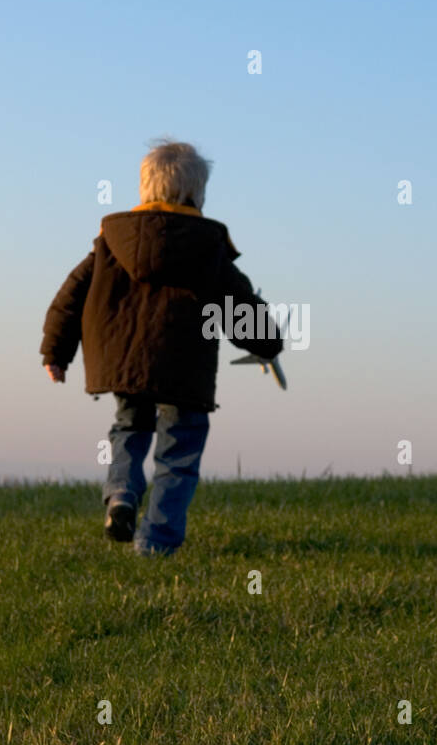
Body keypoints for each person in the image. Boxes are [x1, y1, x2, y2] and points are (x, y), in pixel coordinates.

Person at [41, 141, 281, 555]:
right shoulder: (208, 246)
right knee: (179, 455)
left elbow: (72, 294)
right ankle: (156, 543)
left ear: (144, 189)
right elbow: (238, 304)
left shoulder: (110, 240)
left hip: (125, 362)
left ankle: (120, 495)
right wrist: (268, 343)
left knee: (129, 429)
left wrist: (55, 352)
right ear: (195, 195)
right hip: (184, 369)